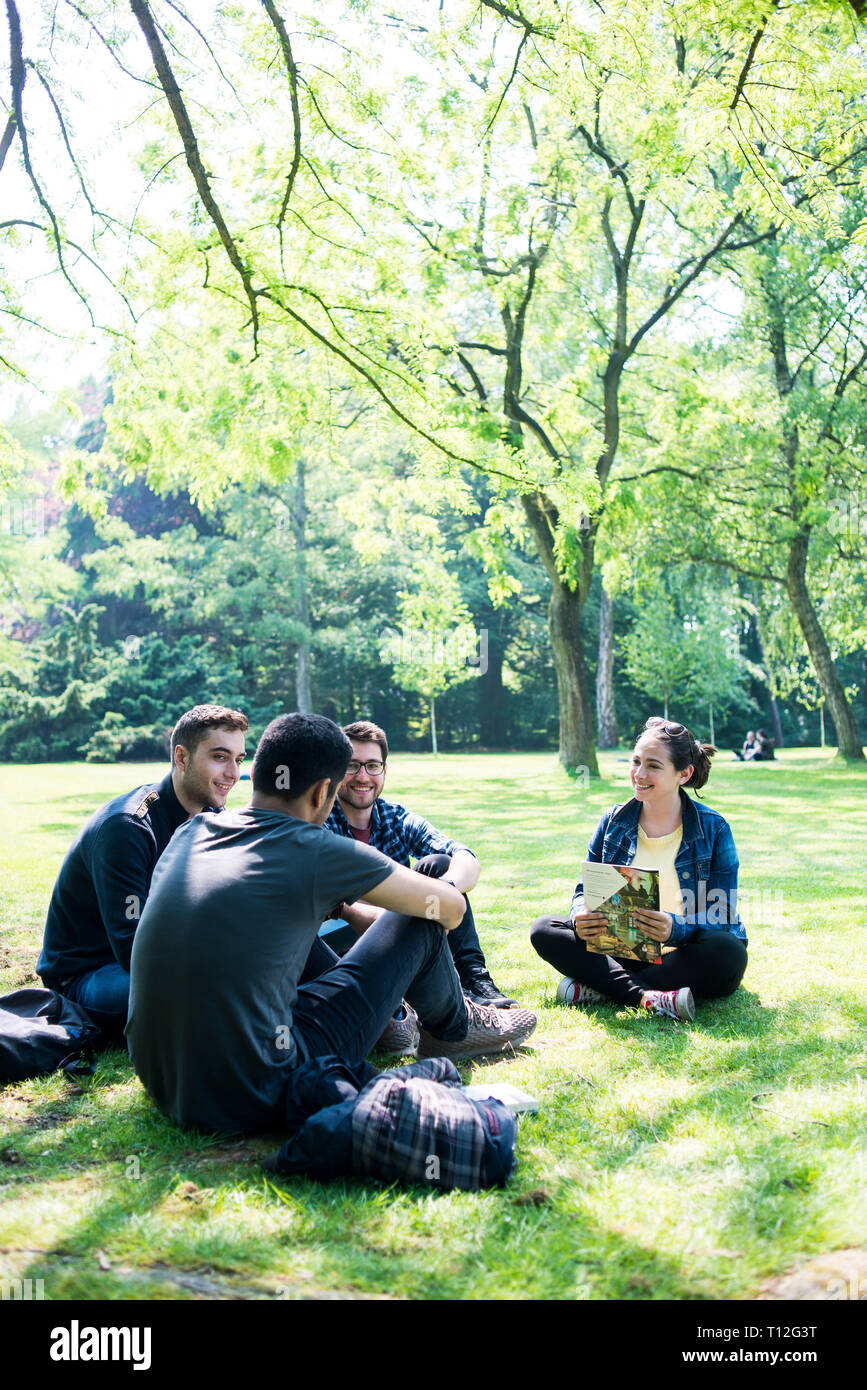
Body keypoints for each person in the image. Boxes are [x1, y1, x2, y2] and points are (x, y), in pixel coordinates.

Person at [126, 714, 537, 1135]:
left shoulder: (193, 829)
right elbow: (449, 910)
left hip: (162, 1079)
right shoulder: (315, 847)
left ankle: (401, 1019)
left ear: (256, 772)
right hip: (258, 1087)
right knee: (423, 914)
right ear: (325, 789)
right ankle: (453, 1029)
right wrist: (447, 884)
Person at [37, 704, 249, 1035]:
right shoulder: (128, 826)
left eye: (239, 759)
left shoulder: (213, 817)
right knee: (210, 991)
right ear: (181, 758)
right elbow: (133, 948)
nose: (233, 773)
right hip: (91, 973)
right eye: (220, 757)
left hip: (157, 957)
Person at [530, 717, 748, 1022]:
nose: (639, 774)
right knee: (544, 929)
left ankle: (601, 988)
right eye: (635, 762)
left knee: (728, 952)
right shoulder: (612, 821)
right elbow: (584, 889)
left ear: (683, 774)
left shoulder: (714, 828)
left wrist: (675, 928)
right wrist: (580, 914)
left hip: (684, 955)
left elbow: (722, 915)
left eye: (653, 766)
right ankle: (647, 997)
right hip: (623, 951)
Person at [324, 721, 517, 1009]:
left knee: (439, 864)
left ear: (384, 771)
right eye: (352, 765)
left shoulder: (393, 816)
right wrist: (408, 915)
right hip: (343, 939)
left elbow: (464, 857)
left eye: (373, 766)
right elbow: (331, 895)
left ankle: (475, 980)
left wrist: (446, 893)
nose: (363, 776)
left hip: (404, 926)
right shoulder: (322, 820)